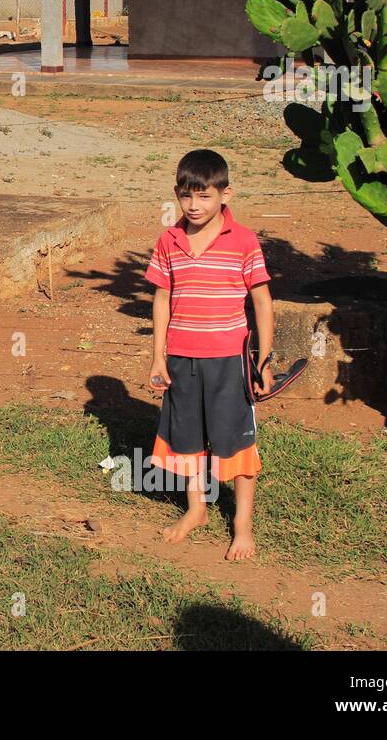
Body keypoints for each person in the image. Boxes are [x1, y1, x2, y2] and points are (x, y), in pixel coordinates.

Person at [145, 149, 273, 561]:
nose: (194, 206)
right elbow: (161, 299)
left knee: (235, 442)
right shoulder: (169, 240)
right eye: (186, 196)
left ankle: (242, 525)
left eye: (203, 196)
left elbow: (263, 301)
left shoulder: (244, 241)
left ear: (225, 195)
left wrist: (264, 359)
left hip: (228, 363)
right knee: (187, 439)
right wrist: (158, 357)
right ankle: (197, 509)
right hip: (182, 359)